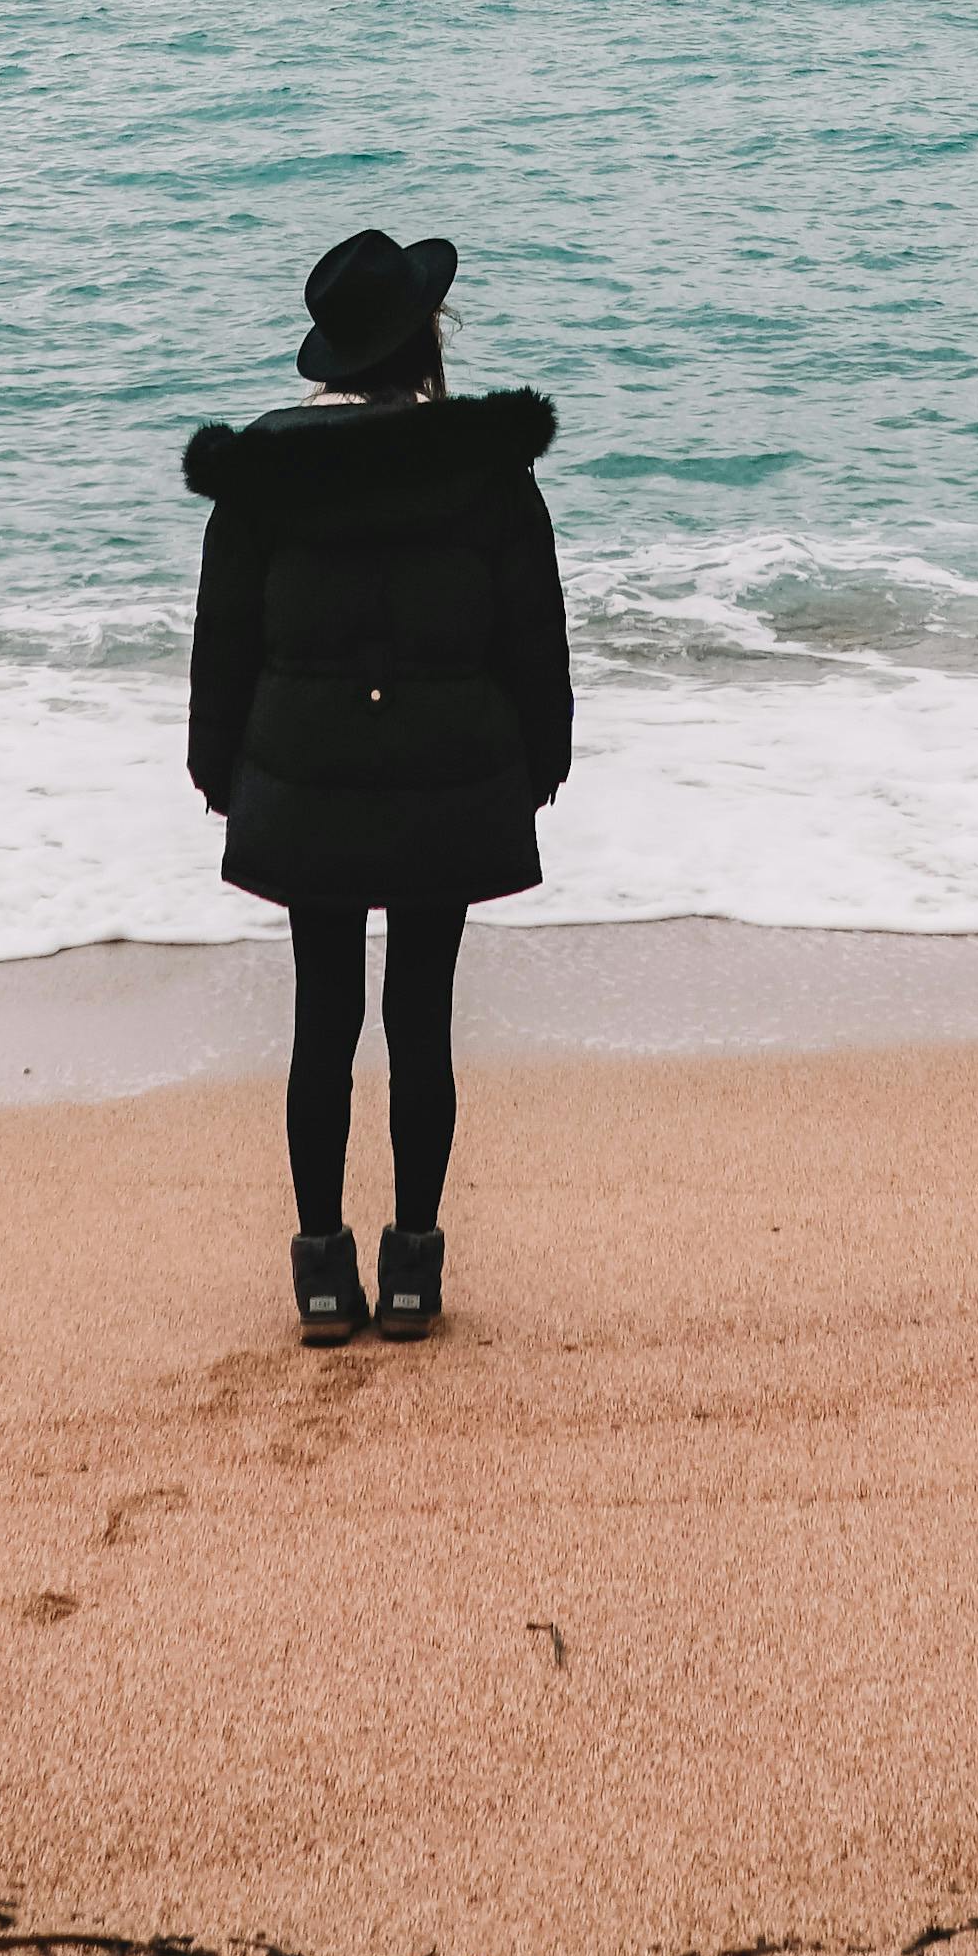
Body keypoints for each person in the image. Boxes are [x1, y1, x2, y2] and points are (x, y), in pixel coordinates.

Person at [184, 227, 571, 1345]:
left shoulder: (265, 472)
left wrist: (223, 772)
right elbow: (533, 630)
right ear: (423, 339)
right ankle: (410, 1272)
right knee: (421, 1017)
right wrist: (539, 759)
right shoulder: (485, 464)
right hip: (447, 773)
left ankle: (320, 1272)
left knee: (323, 1016)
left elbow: (225, 640)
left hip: (306, 774)